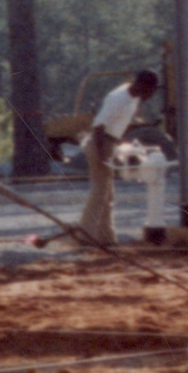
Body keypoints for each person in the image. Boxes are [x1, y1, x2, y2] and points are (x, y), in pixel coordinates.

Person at [72, 70, 166, 249]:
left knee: (107, 193)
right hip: (99, 143)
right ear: (142, 86)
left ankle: (106, 237)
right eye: (151, 91)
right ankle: (85, 235)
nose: (151, 95)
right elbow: (99, 126)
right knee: (100, 191)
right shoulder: (119, 98)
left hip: (109, 143)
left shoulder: (133, 98)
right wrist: (102, 155)